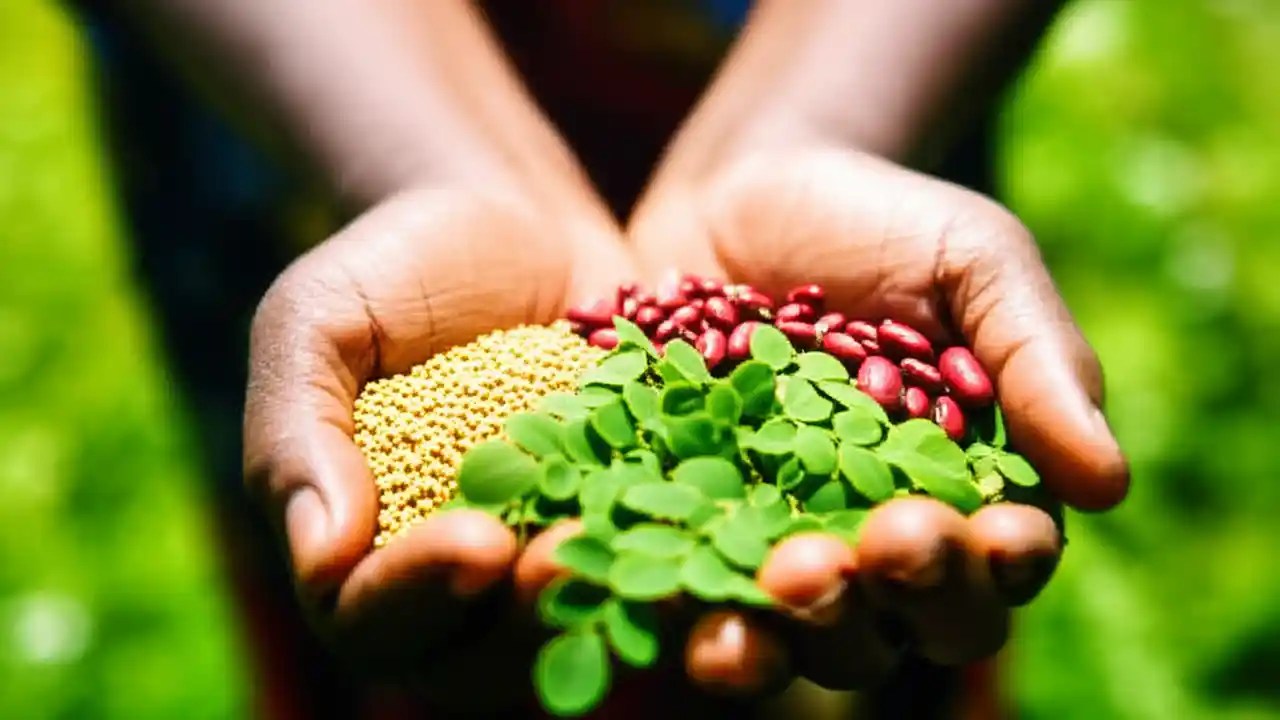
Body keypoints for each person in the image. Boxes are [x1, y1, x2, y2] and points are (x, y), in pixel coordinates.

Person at [80, 1, 1128, 717]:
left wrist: (820, 120)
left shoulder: (812, 370)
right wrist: (427, 161)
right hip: (309, 78)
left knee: (875, 626)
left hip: (866, 48)